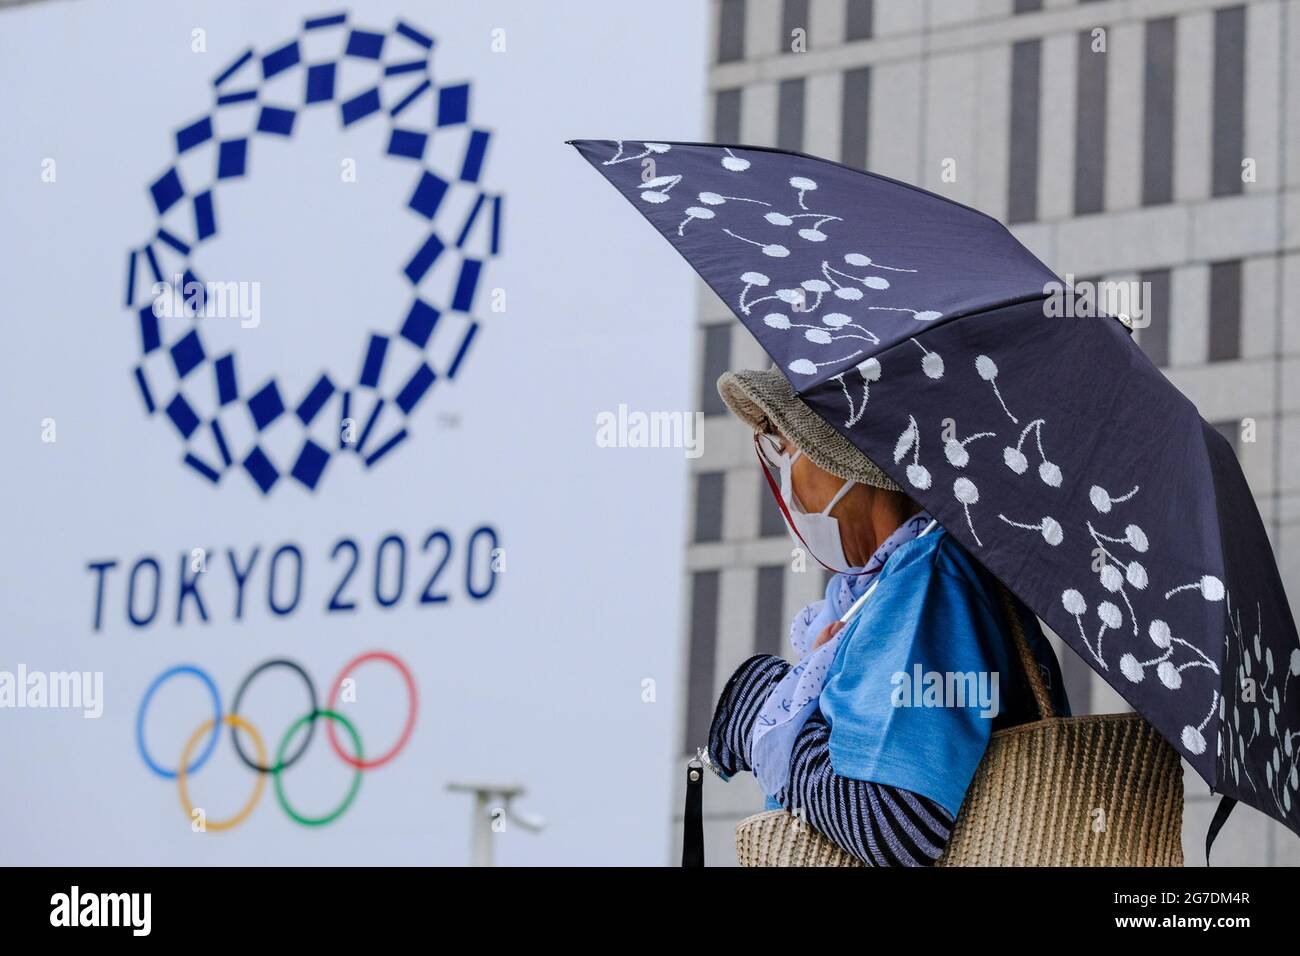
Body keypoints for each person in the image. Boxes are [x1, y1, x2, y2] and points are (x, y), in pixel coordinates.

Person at [702, 367, 1071, 866]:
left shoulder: (929, 578)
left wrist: (776, 724)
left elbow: (899, 825)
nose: (783, 474)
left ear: (842, 448)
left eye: (785, 446)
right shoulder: (886, 587)